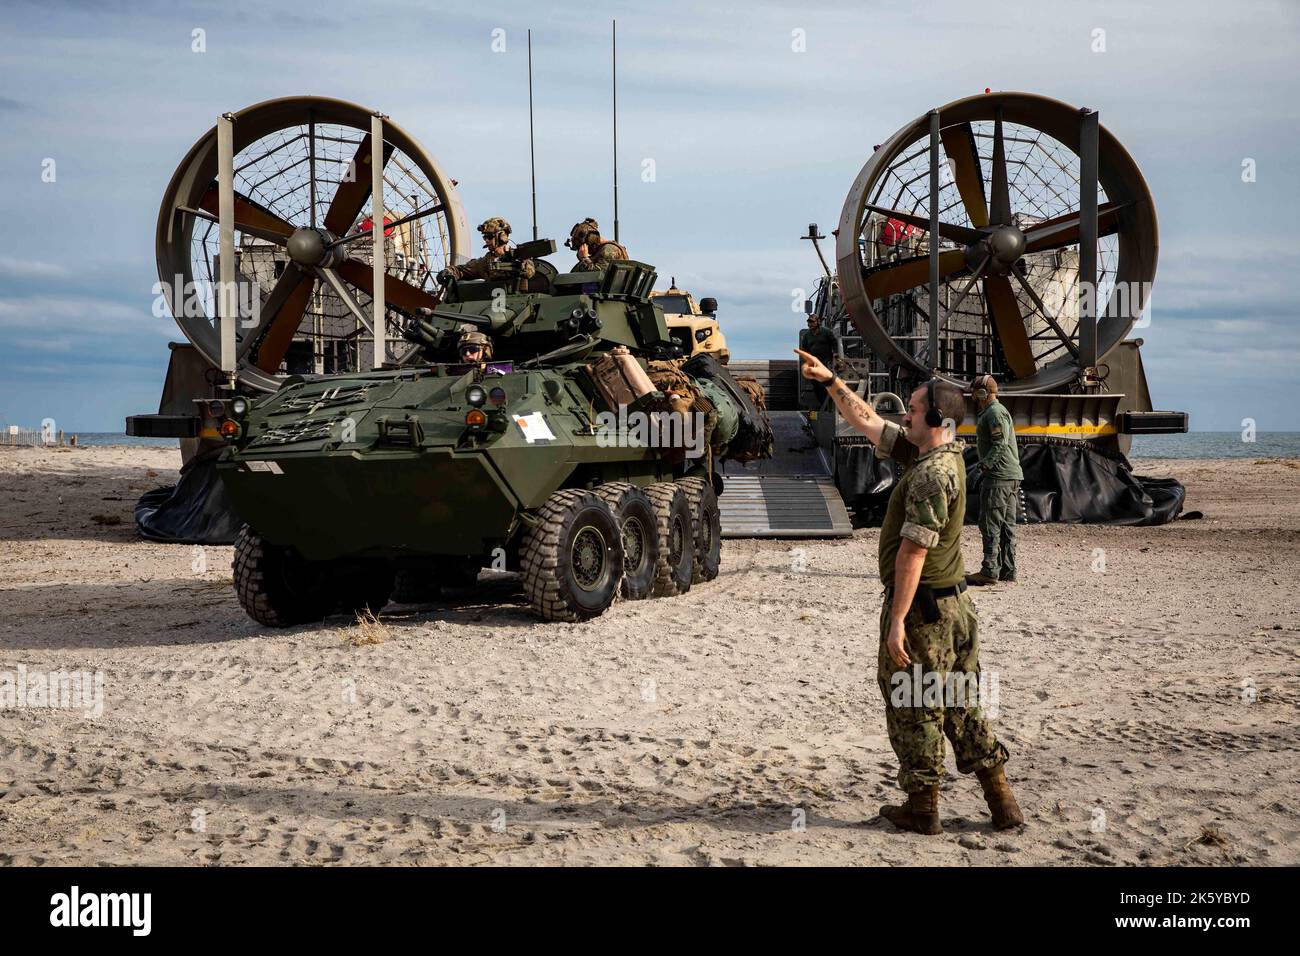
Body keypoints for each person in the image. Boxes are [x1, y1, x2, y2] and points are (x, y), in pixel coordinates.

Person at [793, 348, 1025, 835]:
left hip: (925, 612)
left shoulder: (930, 475)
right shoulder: (940, 456)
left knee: (912, 704)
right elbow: (871, 423)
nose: (905, 414)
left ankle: (923, 809)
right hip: (956, 608)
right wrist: (832, 380)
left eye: (914, 410)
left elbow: (912, 554)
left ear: (937, 419)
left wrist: (896, 621)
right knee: (962, 703)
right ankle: (1002, 802)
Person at [967, 374, 1023, 587]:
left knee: (990, 524)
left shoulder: (994, 413)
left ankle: (990, 570)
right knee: (1007, 526)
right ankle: (1008, 571)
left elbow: (999, 445)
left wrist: (981, 467)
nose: (972, 395)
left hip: (999, 478)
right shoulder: (996, 412)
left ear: (982, 393)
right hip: (1009, 476)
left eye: (974, 391)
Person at [438, 217, 536, 283]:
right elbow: (462, 270)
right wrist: (448, 271)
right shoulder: (486, 262)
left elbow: (530, 271)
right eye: (484, 238)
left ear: (501, 237)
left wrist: (518, 264)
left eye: (489, 237)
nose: (486, 241)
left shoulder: (518, 256)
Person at [799, 314, 837, 409]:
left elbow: (834, 342)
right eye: (809, 322)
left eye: (812, 322)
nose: (810, 324)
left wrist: (835, 353)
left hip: (826, 363)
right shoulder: (807, 335)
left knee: (826, 383)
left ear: (818, 322)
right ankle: (823, 404)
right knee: (816, 385)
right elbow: (805, 348)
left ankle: (829, 405)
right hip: (814, 364)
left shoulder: (826, 332)